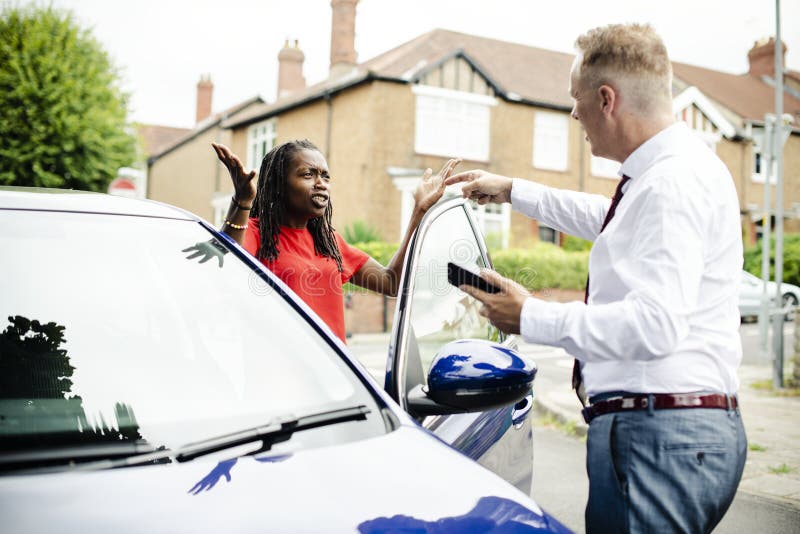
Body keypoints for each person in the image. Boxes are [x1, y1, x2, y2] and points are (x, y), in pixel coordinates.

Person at [445, 23, 746, 534]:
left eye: (575, 98)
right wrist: (514, 190)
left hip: (657, 435)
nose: (572, 112)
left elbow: (656, 326)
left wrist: (529, 315)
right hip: (668, 432)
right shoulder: (669, 173)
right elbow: (612, 218)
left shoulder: (671, 182)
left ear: (606, 99)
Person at [210, 139, 460, 343]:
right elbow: (227, 262)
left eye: (326, 176)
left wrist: (420, 210)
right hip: (279, 375)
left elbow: (391, 282)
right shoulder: (255, 232)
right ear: (279, 185)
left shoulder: (328, 241)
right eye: (308, 174)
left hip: (334, 377)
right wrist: (242, 201)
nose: (321, 184)